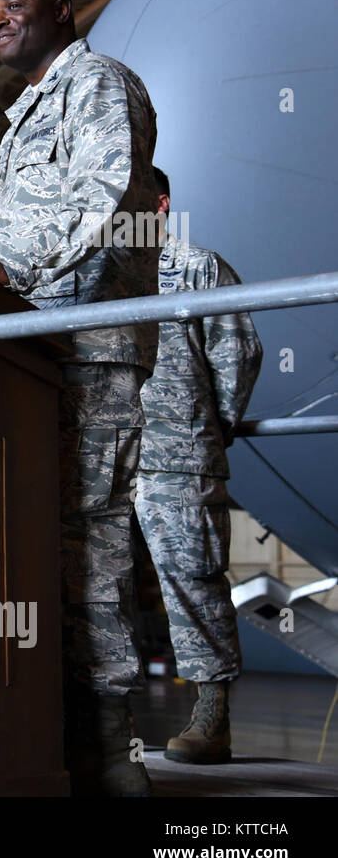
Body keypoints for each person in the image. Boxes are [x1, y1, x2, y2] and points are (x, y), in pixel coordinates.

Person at [0, 0, 160, 795]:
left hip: (85, 347)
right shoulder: (18, 122)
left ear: (62, 11)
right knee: (24, 547)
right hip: (25, 355)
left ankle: (110, 754)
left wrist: (11, 266)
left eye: (15, 6)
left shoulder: (100, 83)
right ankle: (42, 738)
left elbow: (108, 192)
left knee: (89, 547)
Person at [136, 168, 262, 764]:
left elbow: (236, 353)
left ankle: (212, 717)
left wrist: (207, 426)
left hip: (176, 457)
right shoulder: (92, 280)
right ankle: (99, 718)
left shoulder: (196, 267)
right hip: (100, 459)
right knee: (93, 590)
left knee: (193, 579)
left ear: (160, 205)